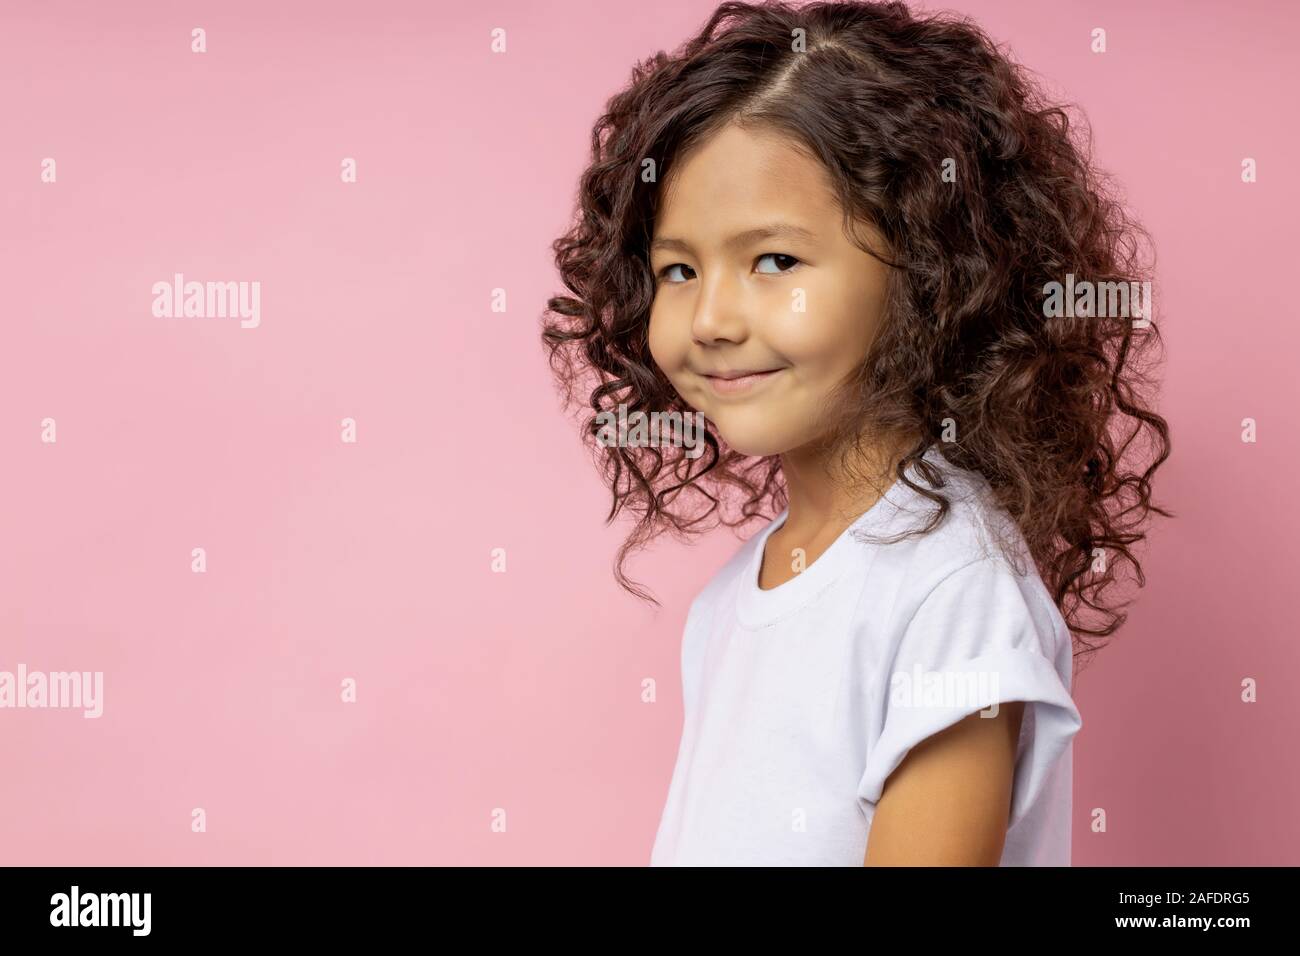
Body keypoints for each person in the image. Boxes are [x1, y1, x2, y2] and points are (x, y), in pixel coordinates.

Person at [541, 0, 1171, 866]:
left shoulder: (950, 587)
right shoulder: (737, 595)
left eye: (775, 261)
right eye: (678, 269)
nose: (712, 318)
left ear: (929, 272)